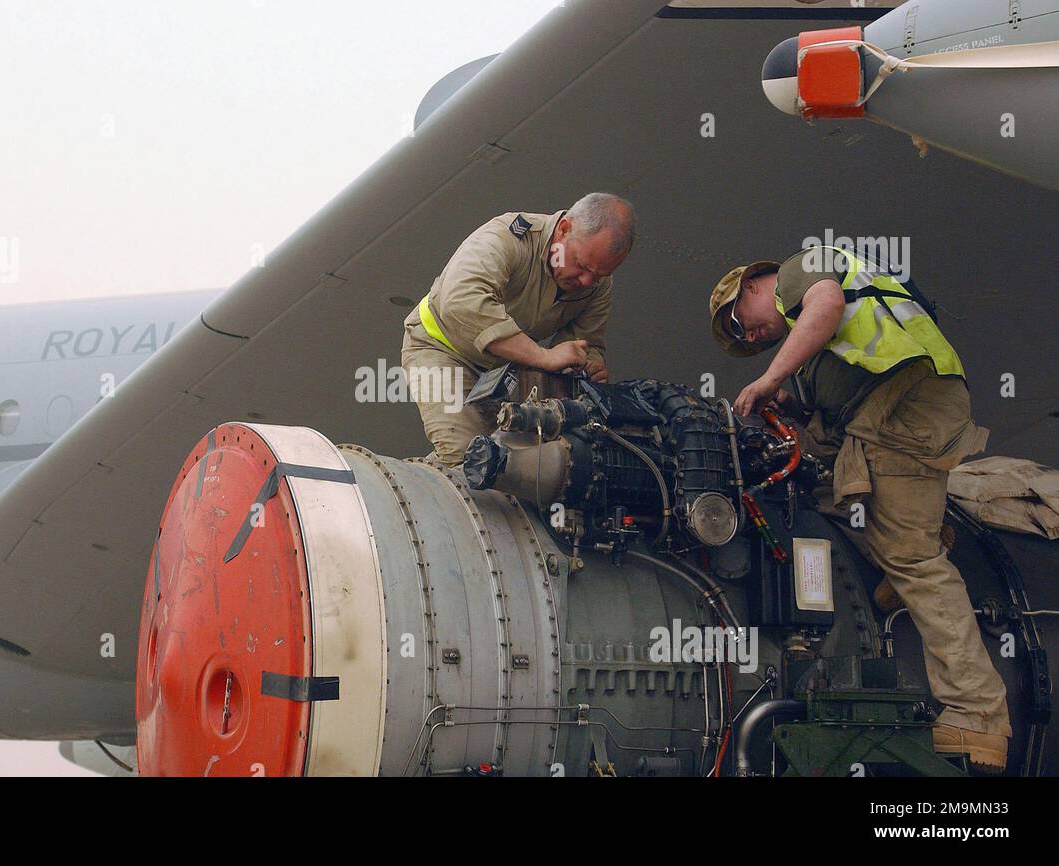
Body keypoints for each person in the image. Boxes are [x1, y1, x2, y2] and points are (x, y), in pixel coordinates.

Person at [708, 244, 1012, 773]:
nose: (749, 338)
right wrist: (793, 403)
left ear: (754, 283)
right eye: (741, 341)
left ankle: (977, 714)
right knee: (809, 482)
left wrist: (769, 380)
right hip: (880, 412)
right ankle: (913, 541)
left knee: (912, 561)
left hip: (906, 400)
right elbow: (833, 392)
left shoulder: (800, 272)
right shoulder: (809, 351)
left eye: (741, 322)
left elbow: (824, 308)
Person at [401, 192, 635, 466]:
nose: (586, 281)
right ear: (564, 229)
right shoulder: (508, 237)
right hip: (440, 347)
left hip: (500, 374)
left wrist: (588, 365)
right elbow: (462, 301)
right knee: (469, 457)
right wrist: (544, 357)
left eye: (599, 275)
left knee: (517, 467)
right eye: (582, 266)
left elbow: (585, 342)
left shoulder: (597, 284)